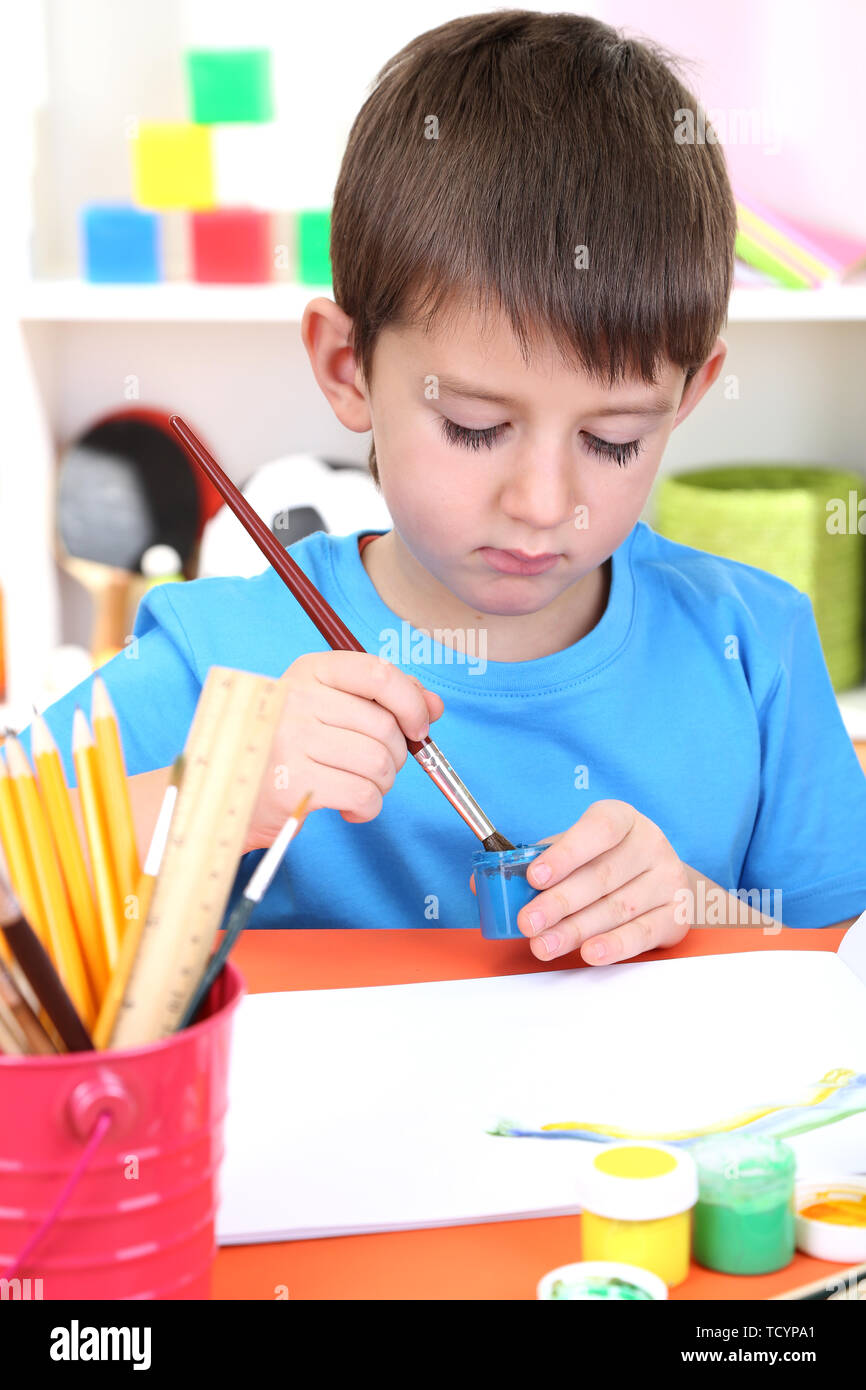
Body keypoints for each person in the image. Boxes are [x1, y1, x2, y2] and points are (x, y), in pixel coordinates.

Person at [18, 11, 866, 954]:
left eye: (616, 439)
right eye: (474, 426)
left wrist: (701, 917)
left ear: (691, 395)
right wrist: (219, 787)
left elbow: (839, 982)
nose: (545, 503)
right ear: (348, 369)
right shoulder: (213, 657)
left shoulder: (758, 653)